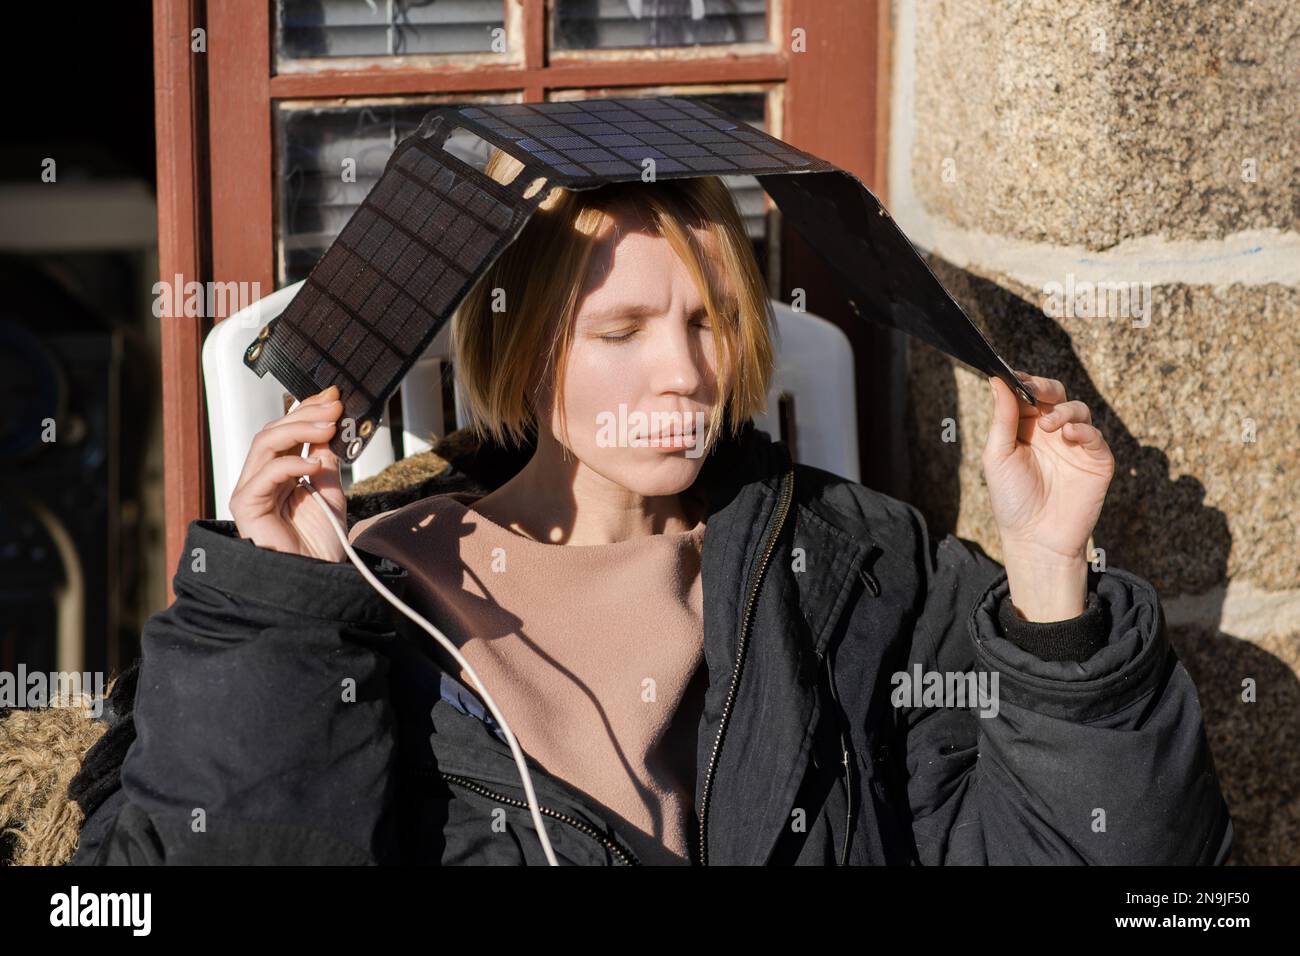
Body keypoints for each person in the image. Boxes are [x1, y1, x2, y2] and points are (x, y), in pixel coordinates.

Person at [69, 150, 1232, 866]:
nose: (684, 372)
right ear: (522, 353)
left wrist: (1049, 579)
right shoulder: (372, 599)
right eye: (620, 331)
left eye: (708, 320)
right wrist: (280, 614)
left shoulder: (859, 564)